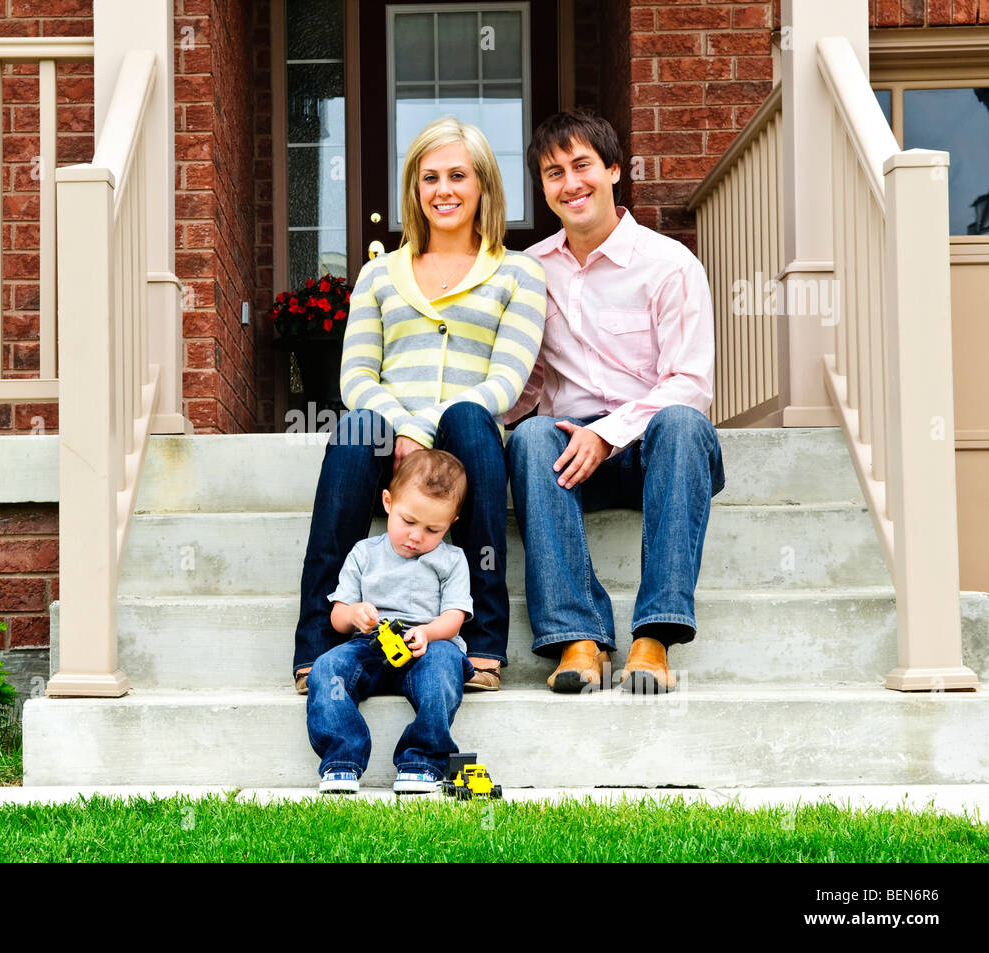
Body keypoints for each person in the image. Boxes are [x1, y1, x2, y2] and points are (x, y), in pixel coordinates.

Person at [291, 116, 547, 696]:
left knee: (470, 418)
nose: (444, 190)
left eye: (458, 175)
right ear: (415, 188)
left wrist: (426, 430)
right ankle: (317, 642)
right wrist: (401, 426)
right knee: (357, 425)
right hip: (388, 441)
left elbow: (506, 380)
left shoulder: (519, 273)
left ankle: (482, 646)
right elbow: (355, 372)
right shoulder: (379, 274)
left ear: (483, 184)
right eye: (429, 177)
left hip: (464, 444)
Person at [504, 111, 726, 695]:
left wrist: (608, 432)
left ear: (613, 171)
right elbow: (524, 386)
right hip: (571, 459)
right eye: (555, 173)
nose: (571, 183)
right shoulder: (530, 272)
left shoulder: (670, 264)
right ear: (544, 189)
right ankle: (578, 638)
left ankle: (653, 638)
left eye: (583, 166)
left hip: (657, 450)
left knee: (683, 423)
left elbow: (690, 383)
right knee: (529, 436)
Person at [306, 450, 473, 794]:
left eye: (432, 529)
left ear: (451, 524)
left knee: (444, 668)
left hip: (430, 648)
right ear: (387, 502)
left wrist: (427, 633)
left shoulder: (452, 560)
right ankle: (342, 758)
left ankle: (422, 760)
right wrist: (355, 614)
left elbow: (454, 618)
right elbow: (338, 617)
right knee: (326, 668)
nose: (416, 536)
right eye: (408, 521)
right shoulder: (364, 553)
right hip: (369, 646)